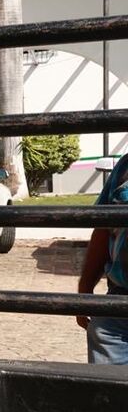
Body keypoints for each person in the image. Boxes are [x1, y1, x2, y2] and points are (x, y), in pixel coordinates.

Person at [77, 152, 128, 364]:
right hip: (118, 306)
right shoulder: (125, 166)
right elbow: (103, 229)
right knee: (108, 393)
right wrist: (85, 289)